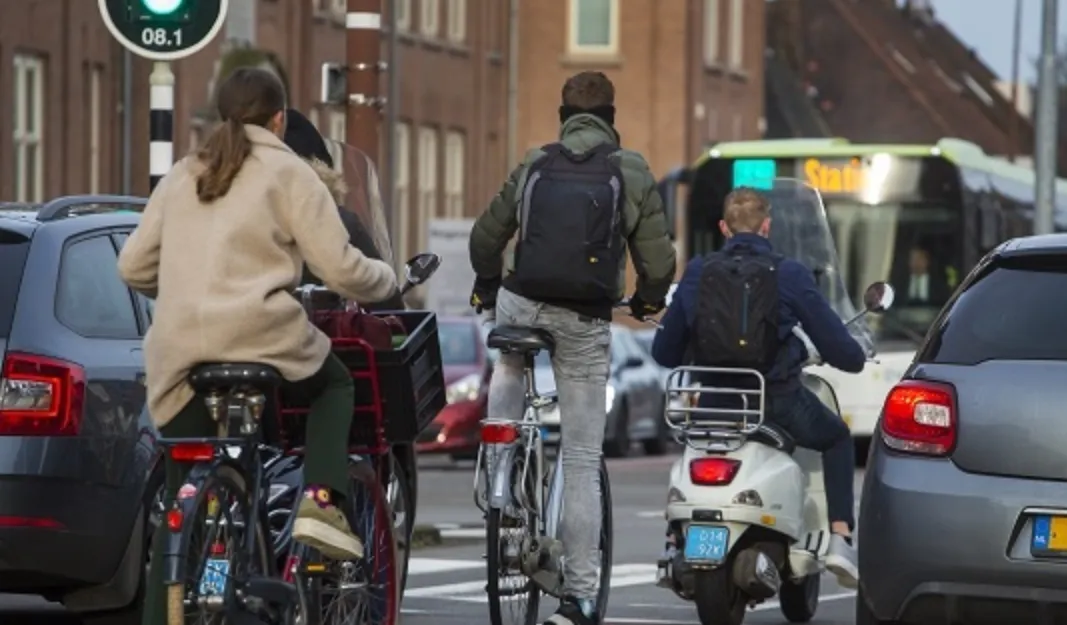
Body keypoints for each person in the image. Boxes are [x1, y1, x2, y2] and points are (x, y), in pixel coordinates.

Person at [117, 68, 398, 624]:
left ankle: (184, 588)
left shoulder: (182, 174)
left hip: (180, 353)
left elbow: (132, 266)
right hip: (260, 338)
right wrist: (388, 280)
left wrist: (180, 286)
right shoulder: (290, 173)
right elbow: (341, 268)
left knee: (182, 507)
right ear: (278, 118)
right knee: (336, 384)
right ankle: (320, 503)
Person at [469, 71, 676, 625]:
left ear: (564, 115)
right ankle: (580, 597)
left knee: (509, 360)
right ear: (611, 116)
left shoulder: (536, 162)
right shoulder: (628, 170)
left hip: (521, 301)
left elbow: (486, 237)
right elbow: (658, 262)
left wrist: (487, 284)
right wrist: (649, 299)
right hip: (584, 318)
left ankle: (498, 467)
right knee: (582, 458)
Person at [651, 187, 866, 588]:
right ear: (767, 226)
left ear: (723, 228)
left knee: (693, 448)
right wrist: (850, 355)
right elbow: (843, 351)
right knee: (836, 438)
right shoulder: (789, 273)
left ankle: (672, 540)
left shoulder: (698, 270)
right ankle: (840, 537)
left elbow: (664, 352)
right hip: (775, 401)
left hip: (712, 405)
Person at [282, 107, 406, 311]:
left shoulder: (239, 215)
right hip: (307, 339)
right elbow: (385, 305)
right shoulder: (339, 223)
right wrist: (387, 281)